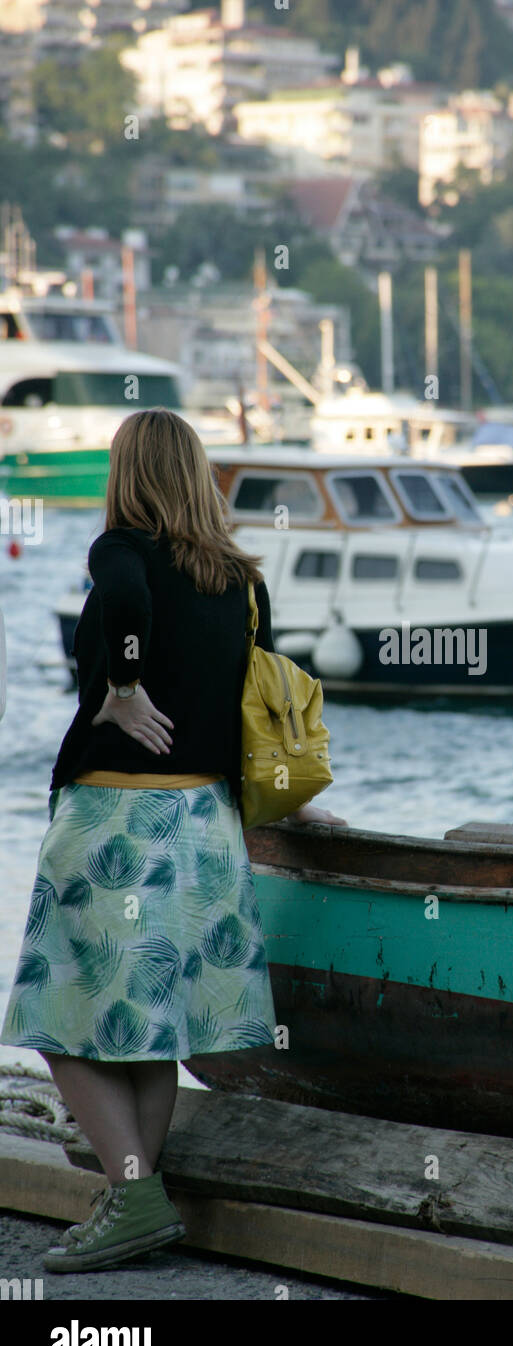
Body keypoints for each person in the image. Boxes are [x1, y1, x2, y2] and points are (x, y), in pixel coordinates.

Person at [0, 407, 344, 1274]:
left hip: (116, 818)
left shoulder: (122, 549)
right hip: (204, 829)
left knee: (59, 1013)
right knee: (147, 1030)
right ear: (196, 472)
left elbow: (124, 602)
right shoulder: (241, 580)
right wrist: (293, 806)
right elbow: (253, 709)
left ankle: (134, 1193)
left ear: (128, 473)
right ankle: (133, 1205)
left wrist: (120, 681)